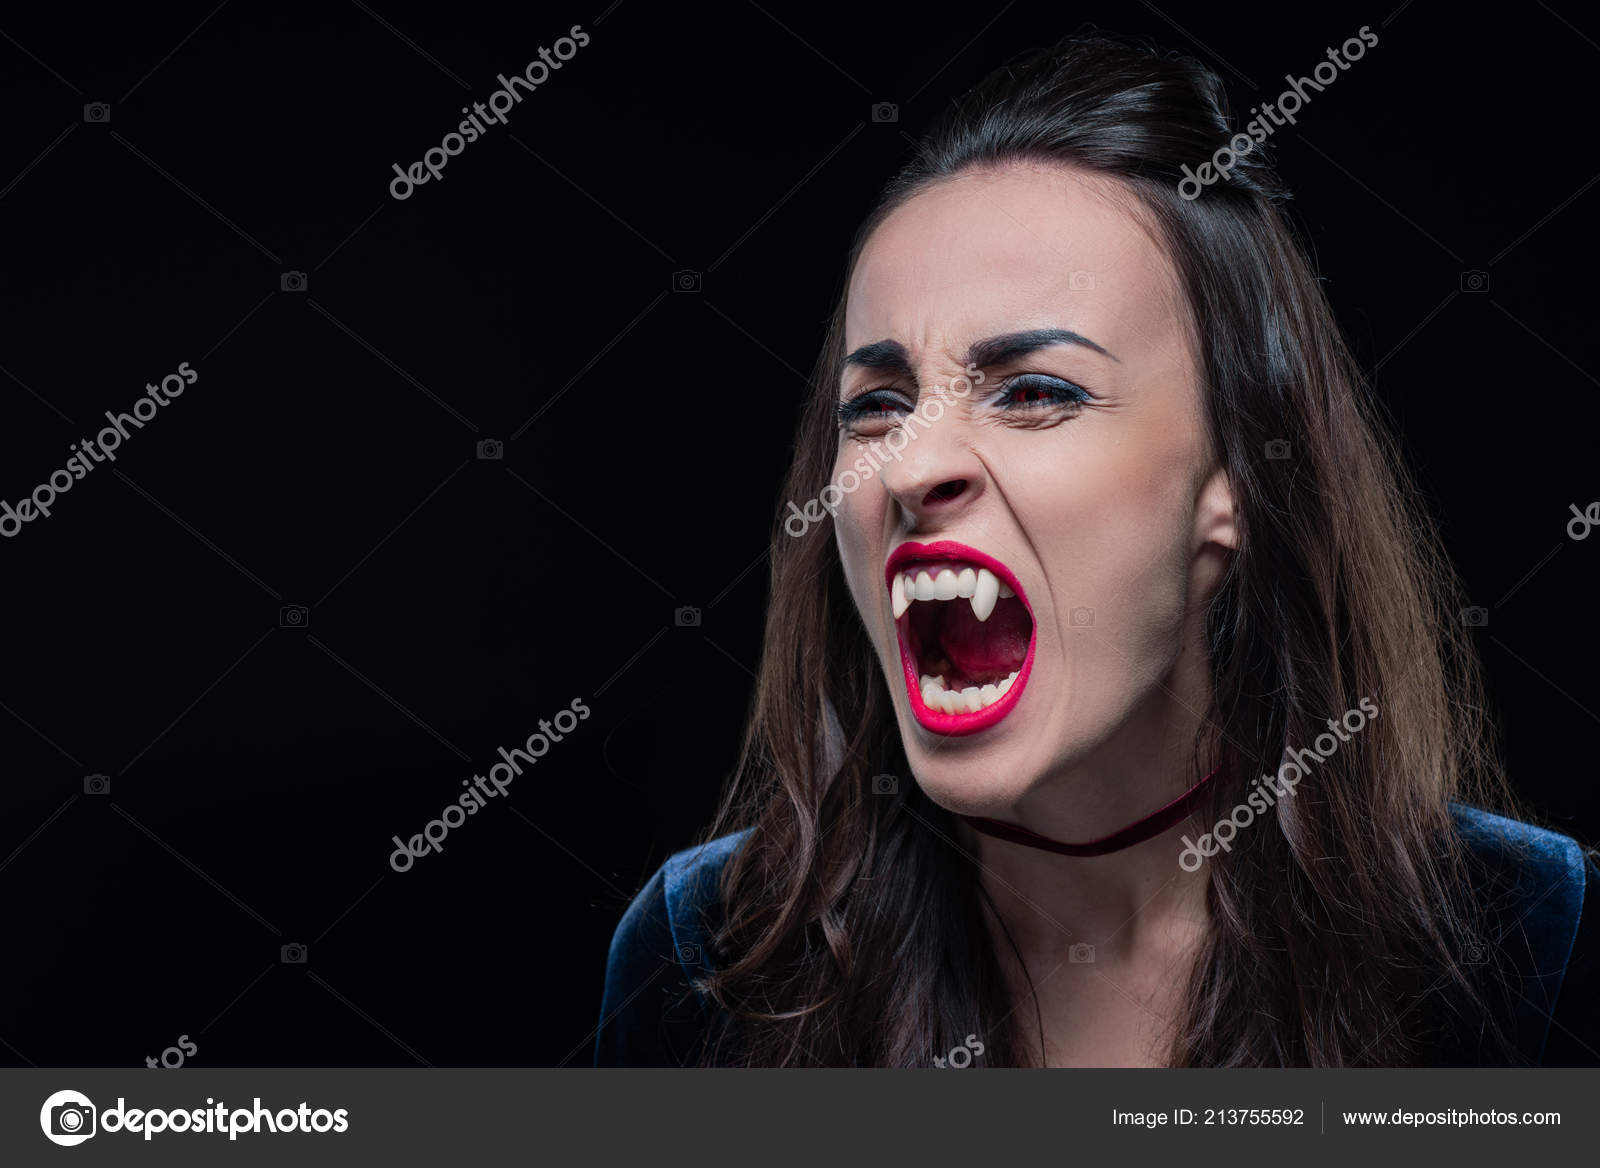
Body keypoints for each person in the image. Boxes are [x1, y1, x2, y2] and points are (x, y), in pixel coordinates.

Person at [594, 32, 1598, 1068]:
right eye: (877, 405)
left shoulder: (1526, 944)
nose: (909, 466)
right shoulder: (703, 960)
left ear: (1235, 485)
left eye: (1035, 392)